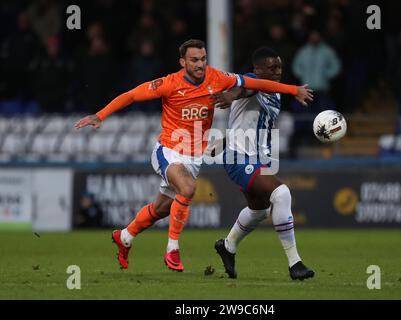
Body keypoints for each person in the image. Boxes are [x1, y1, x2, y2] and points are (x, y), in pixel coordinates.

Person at [74, 39, 313, 272]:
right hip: (169, 149)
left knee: (161, 209)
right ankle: (172, 249)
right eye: (194, 60)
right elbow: (133, 95)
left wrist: (293, 90)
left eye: (203, 59)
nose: (200, 64)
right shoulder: (169, 83)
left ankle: (124, 236)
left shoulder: (216, 77)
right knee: (187, 189)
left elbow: (260, 84)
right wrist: (101, 115)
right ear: (183, 62)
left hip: (194, 156)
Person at [211, 47, 315, 280]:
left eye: (279, 67)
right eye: (272, 67)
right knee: (281, 194)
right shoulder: (255, 82)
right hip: (239, 158)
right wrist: (230, 95)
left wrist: (226, 137)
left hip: (258, 158)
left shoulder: (275, 93)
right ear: (257, 69)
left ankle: (227, 246)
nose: (277, 72)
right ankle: (295, 264)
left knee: (259, 211)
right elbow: (244, 89)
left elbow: (246, 121)